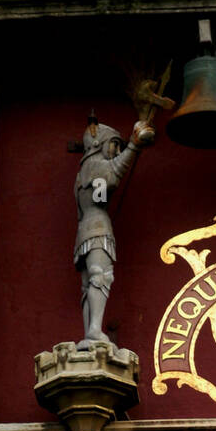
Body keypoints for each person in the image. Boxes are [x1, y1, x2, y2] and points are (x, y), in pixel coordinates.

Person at [74, 114, 154, 349]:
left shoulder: (83, 171)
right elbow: (112, 177)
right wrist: (133, 146)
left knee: (91, 282)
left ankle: (91, 331)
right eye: (114, 144)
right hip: (98, 228)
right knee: (101, 276)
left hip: (85, 229)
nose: (116, 151)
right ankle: (94, 331)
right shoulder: (94, 167)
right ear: (97, 144)